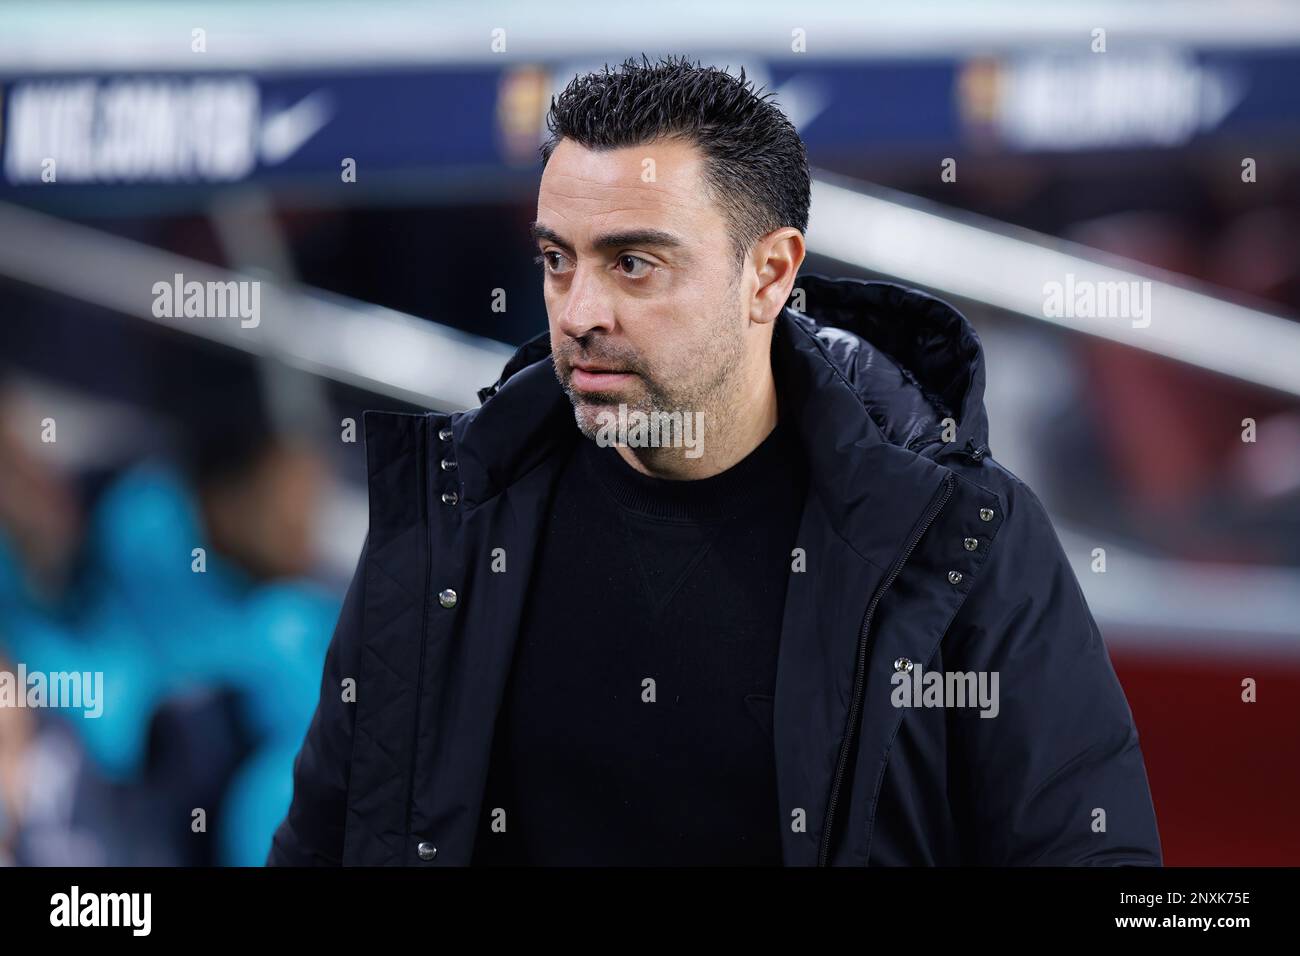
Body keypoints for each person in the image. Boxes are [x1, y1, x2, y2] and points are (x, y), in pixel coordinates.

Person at [268, 55, 1161, 866]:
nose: (579, 312)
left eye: (633, 265)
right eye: (556, 260)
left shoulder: (958, 539)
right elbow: (323, 846)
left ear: (768, 276)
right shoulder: (448, 525)